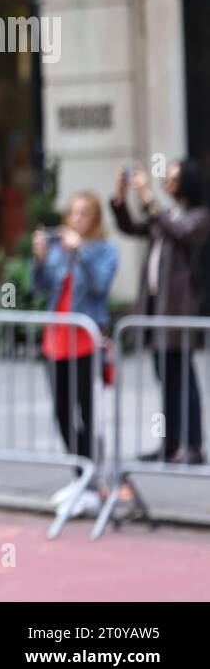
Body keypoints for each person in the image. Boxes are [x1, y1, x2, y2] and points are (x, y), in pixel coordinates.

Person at [111, 159, 210, 465]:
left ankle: (193, 445)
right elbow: (131, 227)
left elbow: (180, 234)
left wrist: (148, 198)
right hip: (156, 310)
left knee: (184, 381)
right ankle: (169, 444)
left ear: (188, 183)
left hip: (178, 311)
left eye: (174, 178)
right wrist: (120, 198)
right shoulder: (167, 215)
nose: (167, 181)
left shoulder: (199, 216)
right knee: (165, 381)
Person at [32, 192, 118, 515]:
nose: (76, 219)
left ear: (95, 219)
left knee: (88, 416)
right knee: (63, 414)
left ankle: (93, 484)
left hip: (86, 341)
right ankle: (80, 478)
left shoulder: (104, 251)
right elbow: (39, 287)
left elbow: (100, 286)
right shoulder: (58, 250)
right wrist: (39, 258)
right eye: (72, 213)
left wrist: (80, 251)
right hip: (56, 341)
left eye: (84, 214)